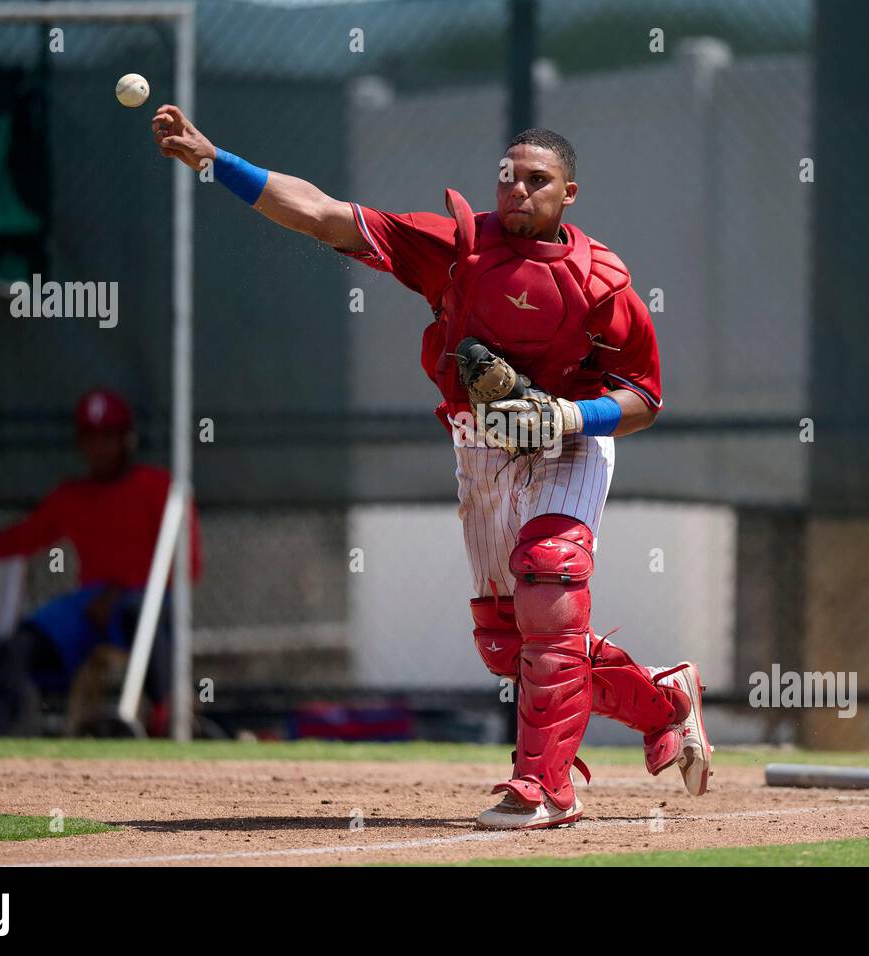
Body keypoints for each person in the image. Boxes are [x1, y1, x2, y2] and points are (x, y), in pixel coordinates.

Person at [153, 106, 709, 829]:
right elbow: (323, 215)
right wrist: (212, 159)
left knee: (550, 579)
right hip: (479, 441)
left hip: (569, 441)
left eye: (538, 180)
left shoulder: (600, 283)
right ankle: (665, 701)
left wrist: (570, 415)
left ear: (569, 192)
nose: (517, 191)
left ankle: (542, 787)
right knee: (508, 643)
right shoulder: (457, 248)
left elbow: (645, 397)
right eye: (508, 178)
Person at [0, 389, 201, 736]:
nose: (100, 448)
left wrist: (121, 590)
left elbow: (189, 565)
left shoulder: (159, 486)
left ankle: (171, 721)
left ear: (128, 439)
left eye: (109, 436)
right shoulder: (72, 497)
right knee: (19, 646)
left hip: (148, 601)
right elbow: (12, 541)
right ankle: (1, 743)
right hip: (89, 607)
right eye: (91, 438)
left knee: (137, 611)